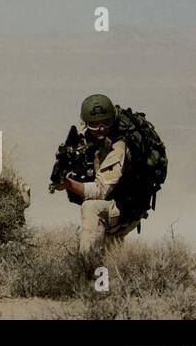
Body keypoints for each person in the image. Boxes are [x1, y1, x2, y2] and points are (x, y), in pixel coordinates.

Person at [54, 93, 140, 269]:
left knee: (90, 207)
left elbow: (101, 190)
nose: (100, 128)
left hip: (126, 209)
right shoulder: (86, 142)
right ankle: (105, 283)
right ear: (86, 123)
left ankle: (85, 271)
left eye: (105, 123)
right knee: (110, 261)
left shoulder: (119, 147)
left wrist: (69, 184)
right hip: (115, 206)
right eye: (94, 124)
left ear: (113, 120)